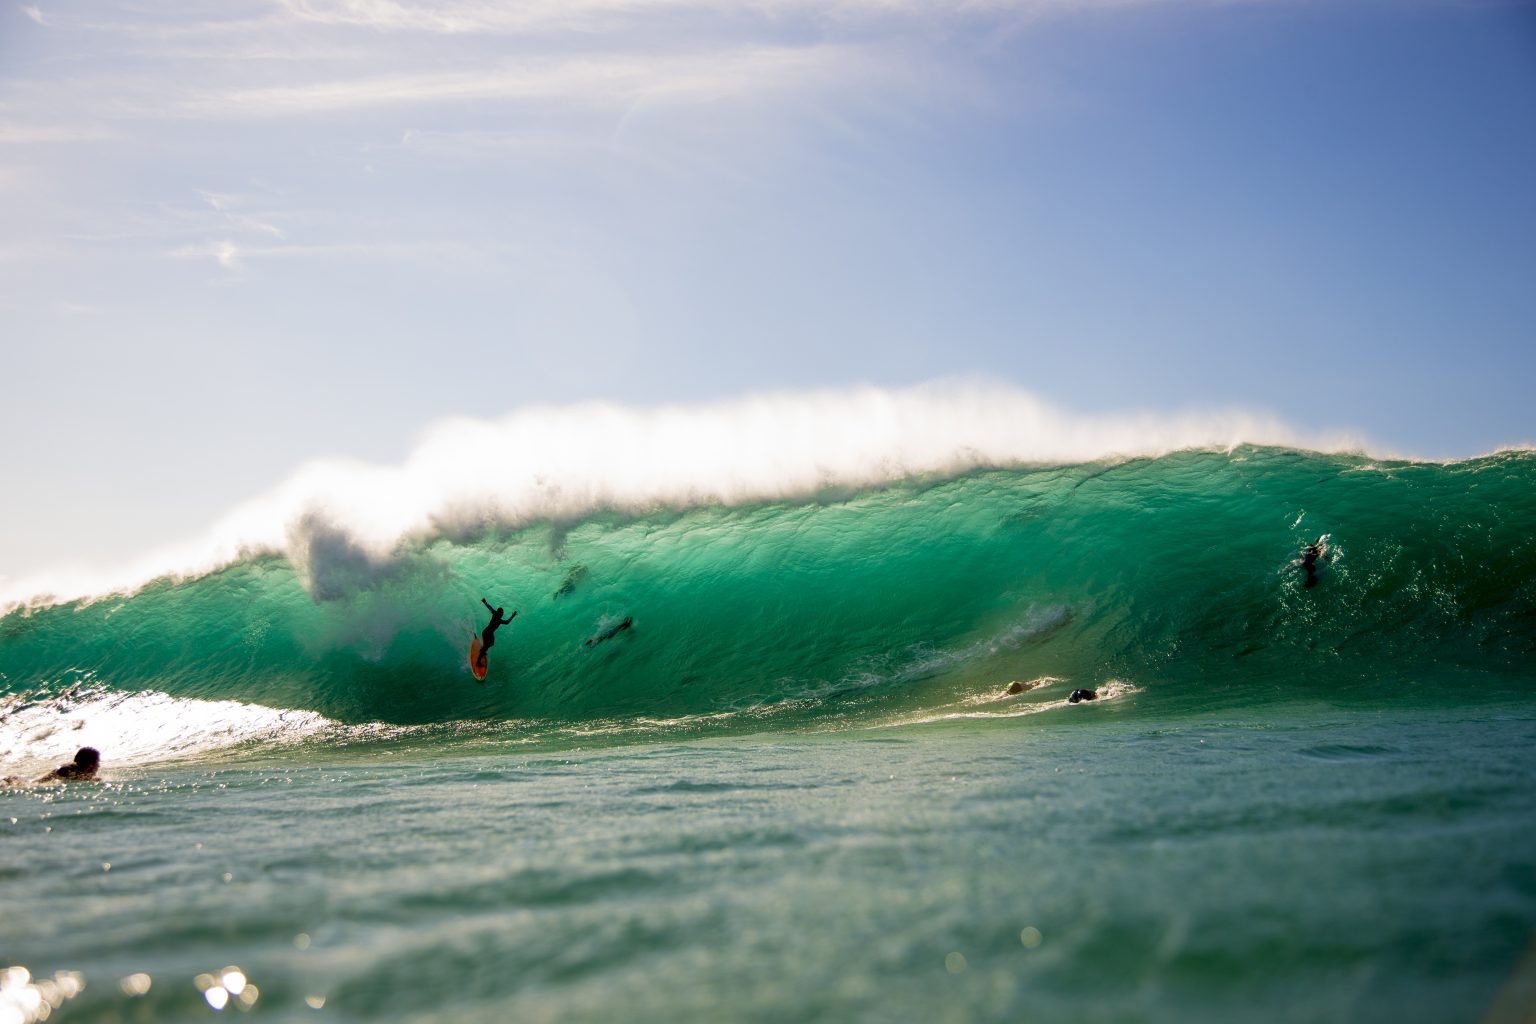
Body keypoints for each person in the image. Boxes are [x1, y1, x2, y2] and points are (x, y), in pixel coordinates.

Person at [478, 598, 517, 670]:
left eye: (502, 613)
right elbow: (507, 622)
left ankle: (483, 649)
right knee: (486, 646)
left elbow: (489, 607)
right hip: (487, 634)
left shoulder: (495, 613)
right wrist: (512, 616)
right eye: (502, 613)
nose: (502, 614)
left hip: (488, 633)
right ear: (499, 613)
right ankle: (478, 662)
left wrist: (485, 602)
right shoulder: (499, 619)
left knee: (491, 643)